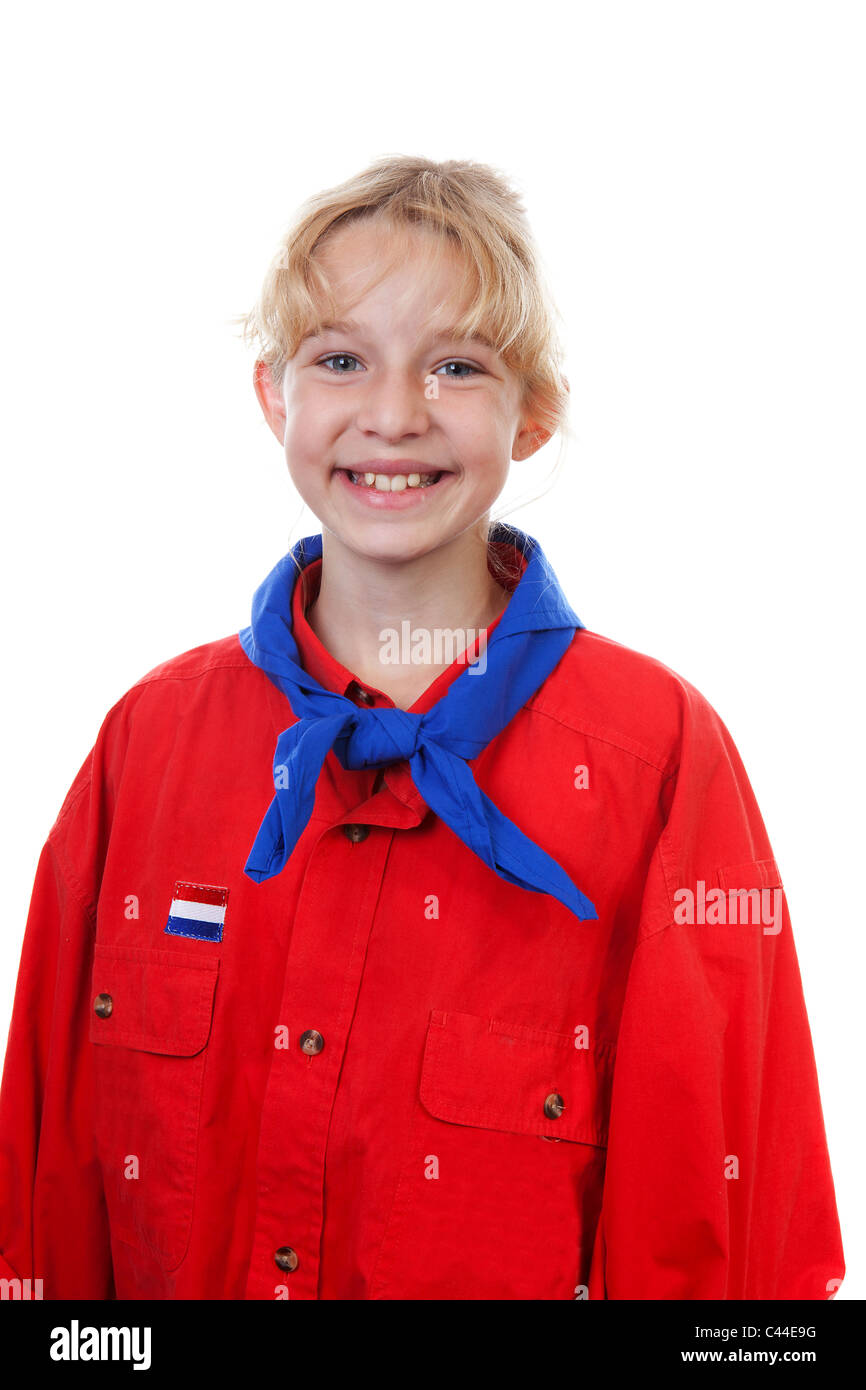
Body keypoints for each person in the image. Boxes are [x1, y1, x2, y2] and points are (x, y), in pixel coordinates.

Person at [0, 156, 845, 1301]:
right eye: (340, 359)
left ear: (531, 413)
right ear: (273, 396)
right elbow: (41, 1213)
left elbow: (732, 1250)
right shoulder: (144, 747)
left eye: (455, 366)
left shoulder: (659, 762)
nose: (392, 415)